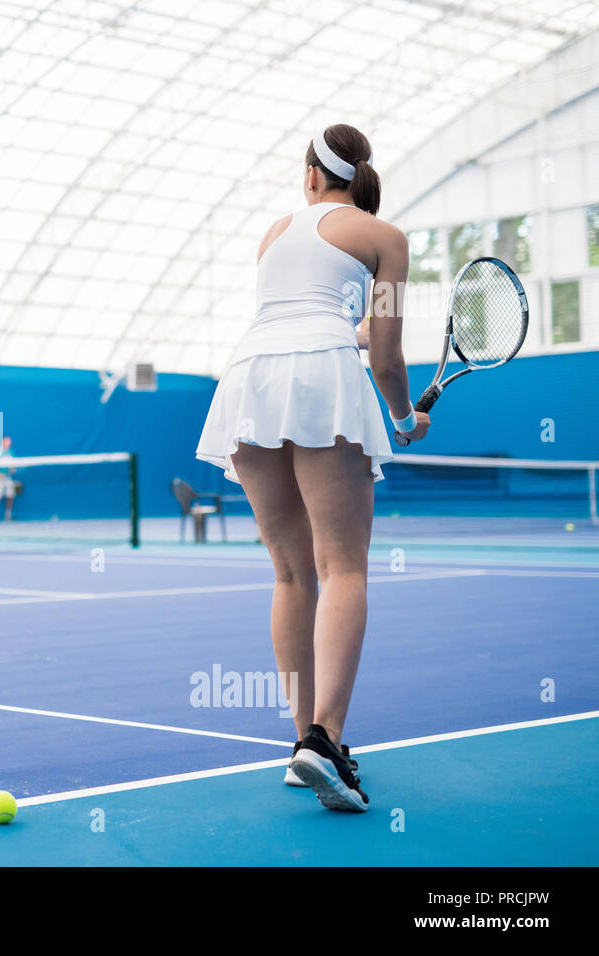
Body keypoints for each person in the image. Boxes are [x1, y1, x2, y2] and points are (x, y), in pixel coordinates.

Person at [194, 124, 430, 812]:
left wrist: (354, 334)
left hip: (246, 380)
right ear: (361, 182)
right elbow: (385, 358)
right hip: (322, 375)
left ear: (310, 177)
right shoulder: (385, 239)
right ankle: (326, 739)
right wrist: (404, 417)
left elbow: (305, 315)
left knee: (291, 573)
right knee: (344, 567)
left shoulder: (272, 234)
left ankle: (307, 741)